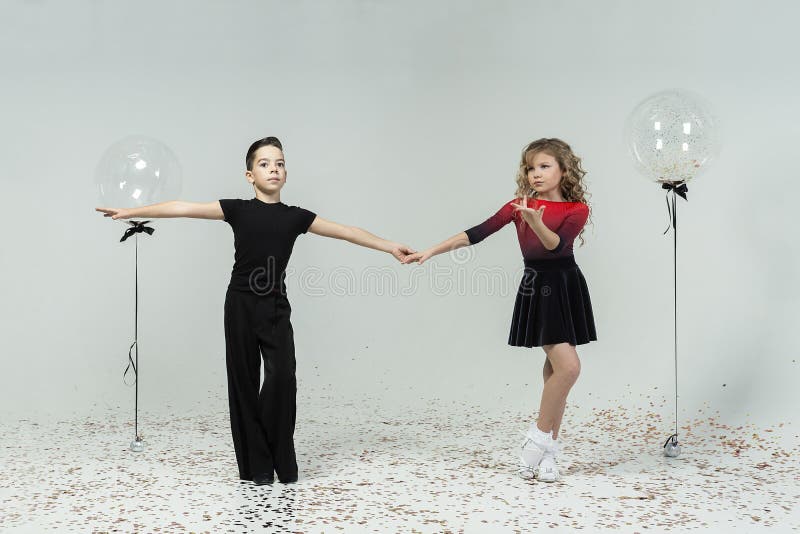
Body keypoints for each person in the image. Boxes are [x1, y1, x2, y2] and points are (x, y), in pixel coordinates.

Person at [96, 136, 415, 485]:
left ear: (286, 173)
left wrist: (389, 247)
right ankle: (257, 468)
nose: (273, 169)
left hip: (275, 305)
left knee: (282, 377)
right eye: (264, 164)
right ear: (250, 175)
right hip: (240, 304)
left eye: (278, 163)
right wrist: (131, 212)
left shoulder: (296, 217)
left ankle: (281, 460)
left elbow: (347, 232)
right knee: (244, 384)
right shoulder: (237, 209)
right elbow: (184, 207)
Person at [403, 138, 596, 482]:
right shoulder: (518, 205)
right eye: (531, 168)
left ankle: (547, 448)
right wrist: (432, 250)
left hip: (566, 284)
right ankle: (538, 440)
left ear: (564, 171)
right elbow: (476, 233)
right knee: (568, 367)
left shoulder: (576, 210)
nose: (535, 174)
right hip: (540, 287)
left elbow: (556, 247)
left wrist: (535, 222)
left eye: (544, 166)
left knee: (558, 370)